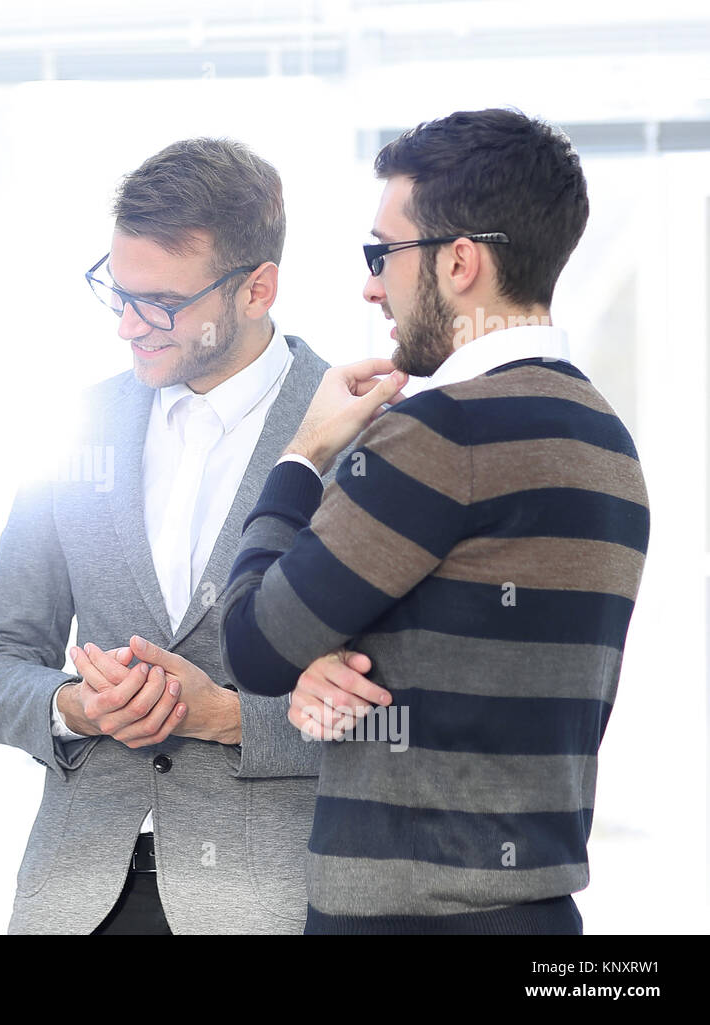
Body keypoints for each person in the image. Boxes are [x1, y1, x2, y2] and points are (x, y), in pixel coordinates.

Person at [218, 108, 650, 934]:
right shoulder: (608, 444)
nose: (371, 284)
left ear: (459, 262)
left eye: (383, 254)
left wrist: (302, 455)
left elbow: (253, 644)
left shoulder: (435, 433)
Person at [0, 138, 376, 934]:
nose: (127, 326)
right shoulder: (78, 426)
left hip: (273, 906)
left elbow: (403, 716)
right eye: (117, 293)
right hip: (76, 901)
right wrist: (73, 706)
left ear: (258, 289)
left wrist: (223, 713)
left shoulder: (357, 432)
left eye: (161, 303)